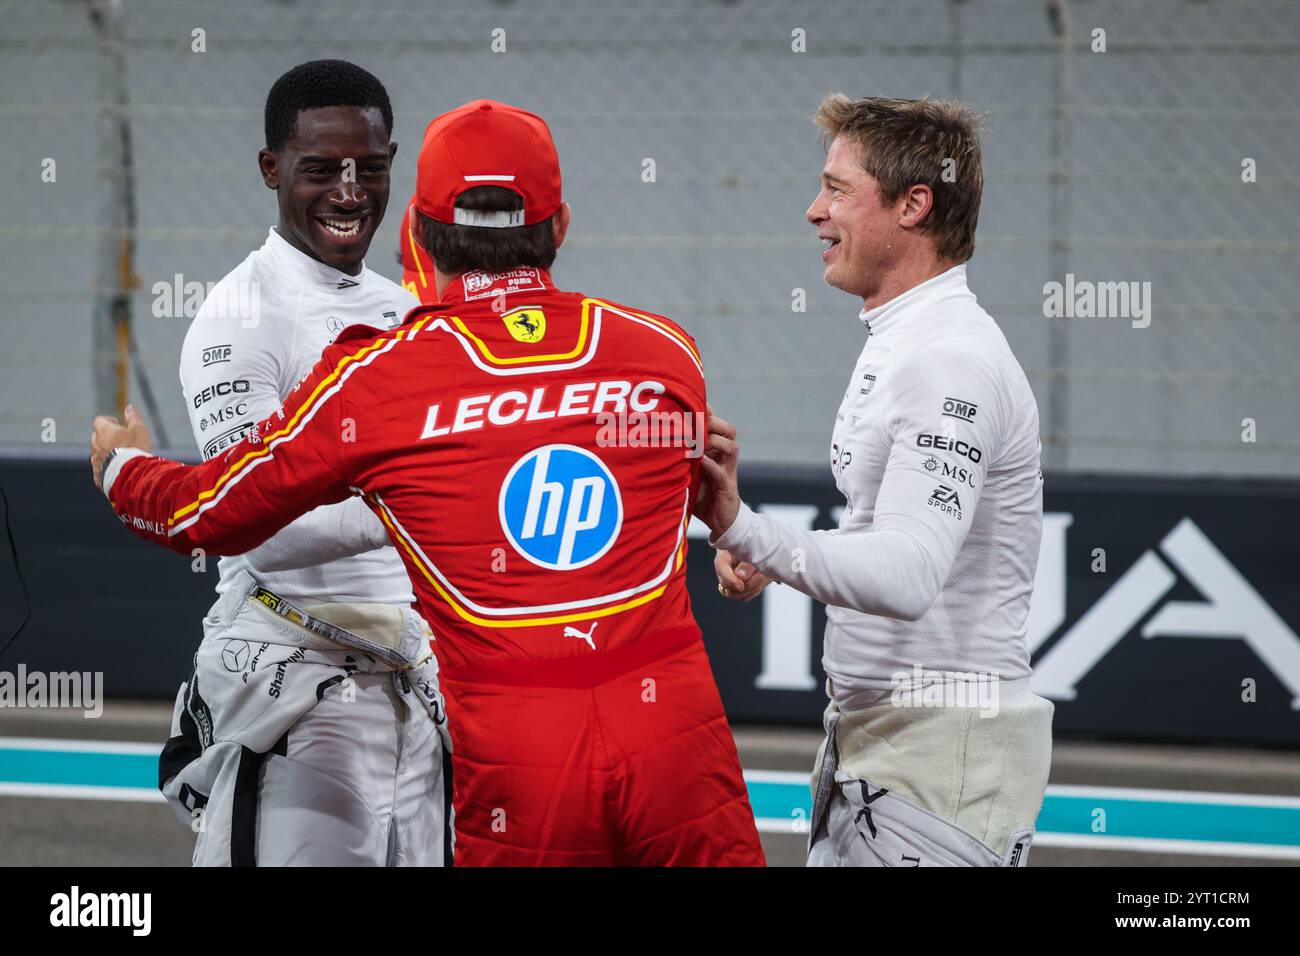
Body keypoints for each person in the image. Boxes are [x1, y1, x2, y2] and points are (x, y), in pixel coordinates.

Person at [91, 99, 765, 867]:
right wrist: (736, 534)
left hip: (517, 749)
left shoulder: (380, 377)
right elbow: (682, 482)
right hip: (676, 730)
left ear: (415, 227)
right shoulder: (665, 351)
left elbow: (208, 514)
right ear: (562, 226)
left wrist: (123, 467)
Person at [697, 95, 1053, 867]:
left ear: (914, 205)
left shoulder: (947, 356)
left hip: (938, 756)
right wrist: (775, 556)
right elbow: (891, 534)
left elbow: (912, 573)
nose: (813, 210)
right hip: (893, 746)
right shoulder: (911, 335)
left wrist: (743, 527)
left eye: (836, 188)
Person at [158, 59, 449, 866]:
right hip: (291, 686)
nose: (350, 193)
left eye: (373, 169)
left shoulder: (408, 313)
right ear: (270, 169)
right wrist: (422, 497)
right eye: (321, 170)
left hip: (414, 685)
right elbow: (257, 529)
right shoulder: (236, 318)